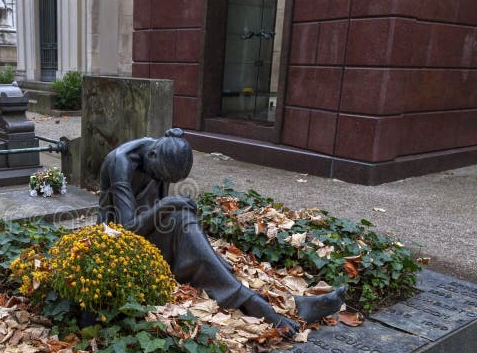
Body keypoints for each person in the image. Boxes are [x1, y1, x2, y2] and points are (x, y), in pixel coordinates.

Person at [97, 128, 344, 335]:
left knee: (187, 224)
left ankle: (283, 302)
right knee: (181, 218)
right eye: (159, 175)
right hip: (120, 246)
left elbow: (157, 209)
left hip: (150, 233)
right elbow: (126, 229)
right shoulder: (121, 162)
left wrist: (171, 207)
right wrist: (170, 204)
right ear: (152, 155)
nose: (160, 180)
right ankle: (259, 306)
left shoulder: (161, 155)